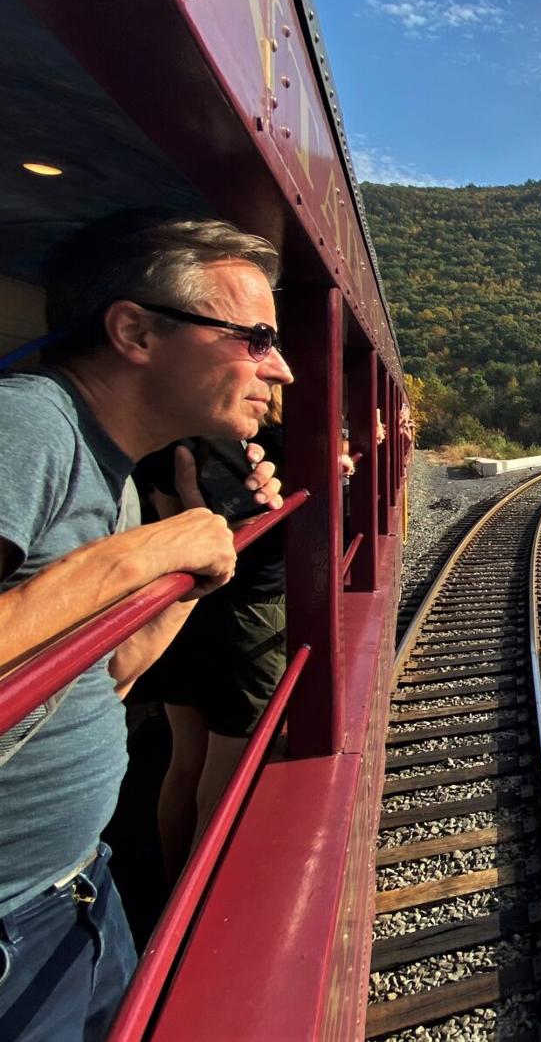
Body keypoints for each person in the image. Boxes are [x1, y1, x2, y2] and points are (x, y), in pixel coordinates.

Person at [0, 211, 292, 1041]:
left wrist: (209, 554)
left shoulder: (117, 476)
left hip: (77, 891)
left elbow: (110, 673)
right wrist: (148, 551)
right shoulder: (28, 426)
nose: (279, 367)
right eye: (255, 337)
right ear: (134, 331)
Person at [134, 387, 286, 880]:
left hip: (179, 610)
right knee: (229, 770)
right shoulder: (269, 443)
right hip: (247, 610)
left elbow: (166, 515)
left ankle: (171, 884)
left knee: (186, 760)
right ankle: (196, 900)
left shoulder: (163, 441)